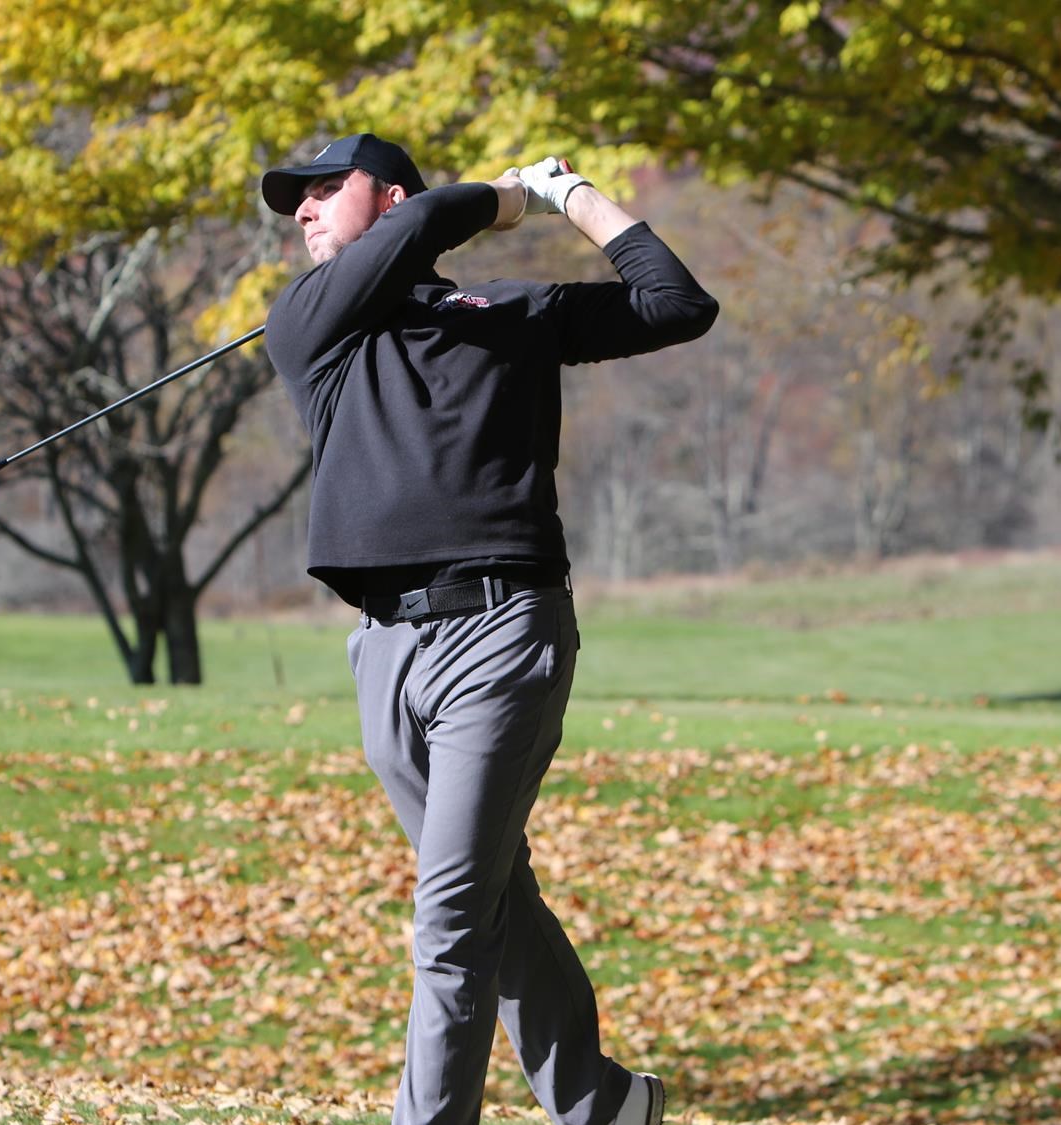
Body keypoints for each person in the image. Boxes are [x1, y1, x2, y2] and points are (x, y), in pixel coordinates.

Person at [260, 133, 718, 1125]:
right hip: (381, 648)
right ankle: (604, 1104)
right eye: (290, 199)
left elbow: (677, 305)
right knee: (491, 900)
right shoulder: (306, 324)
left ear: (383, 197)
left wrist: (571, 197)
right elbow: (428, 221)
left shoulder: (506, 312)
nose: (298, 212)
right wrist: (503, 195)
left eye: (320, 191)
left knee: (452, 919)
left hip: (501, 635)